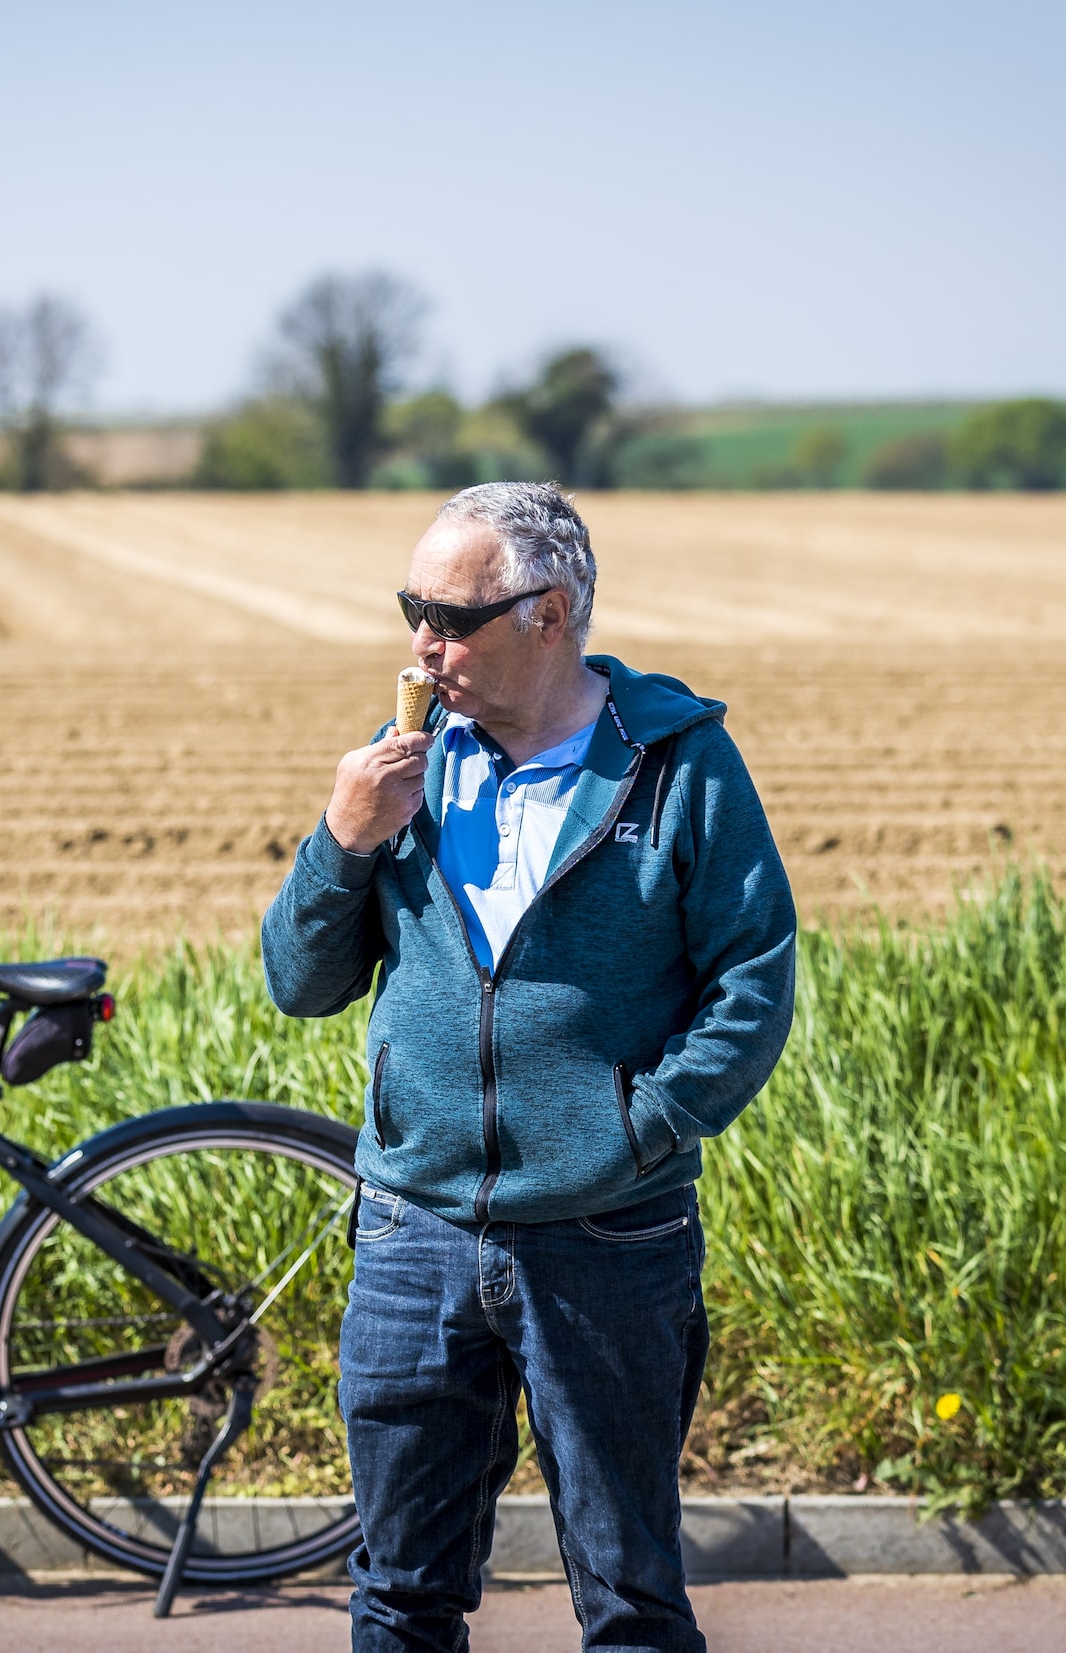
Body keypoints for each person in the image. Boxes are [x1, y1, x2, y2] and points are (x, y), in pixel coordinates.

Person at [262, 481, 797, 1652]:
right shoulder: (401, 766)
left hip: (608, 1236)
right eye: (410, 609)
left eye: (450, 618)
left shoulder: (678, 765)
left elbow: (752, 982)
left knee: (628, 1602)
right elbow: (298, 983)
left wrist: (638, 1130)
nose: (421, 642)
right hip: (412, 1232)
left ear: (548, 615)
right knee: (399, 1597)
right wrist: (341, 839)